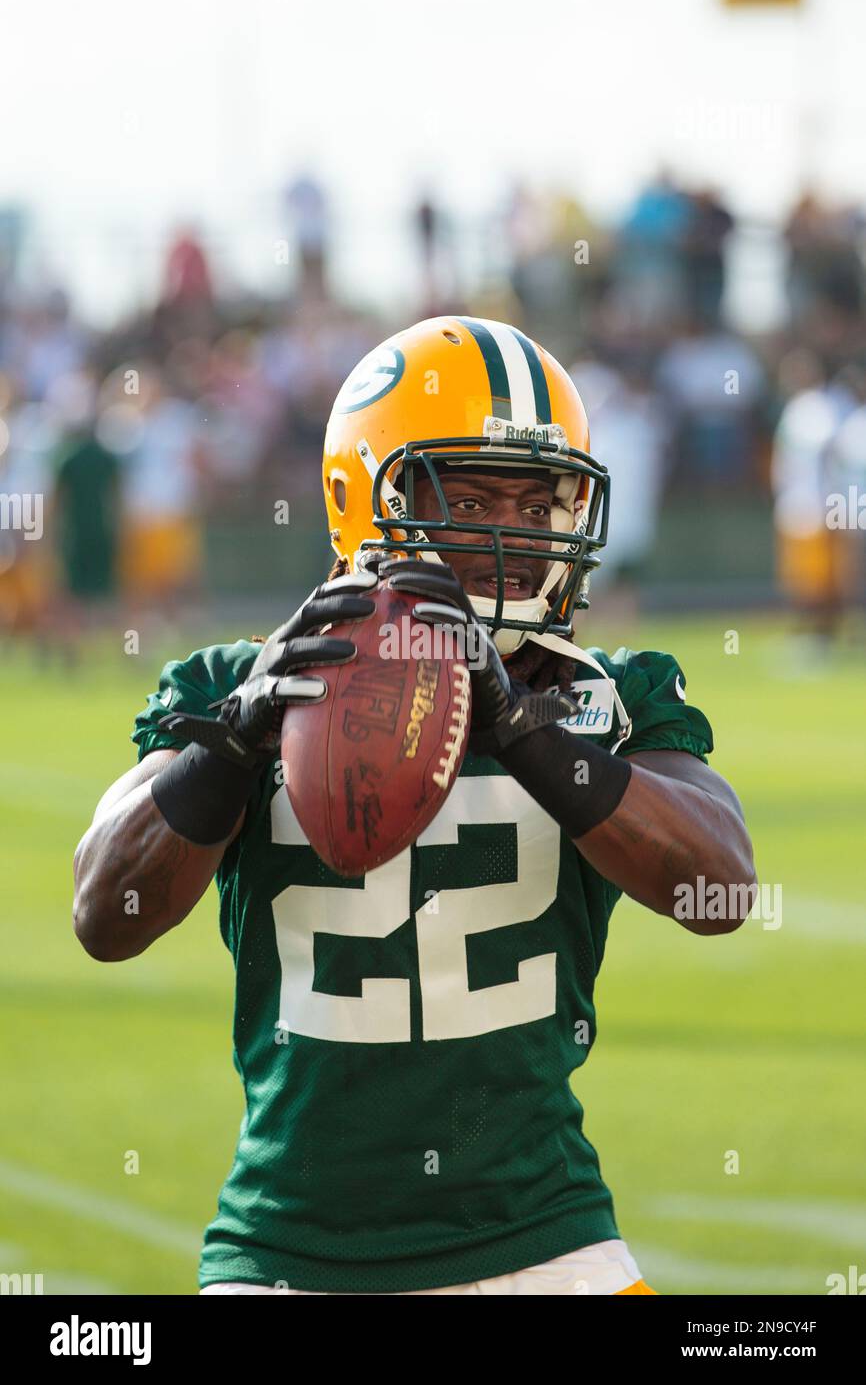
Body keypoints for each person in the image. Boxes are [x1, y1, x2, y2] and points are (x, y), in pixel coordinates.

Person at [73, 316, 757, 1296]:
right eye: (465, 497)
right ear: (364, 501)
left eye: (539, 503)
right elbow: (105, 914)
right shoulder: (231, 683)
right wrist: (231, 740)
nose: (511, 537)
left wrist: (524, 730)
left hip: (547, 1242)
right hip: (289, 1255)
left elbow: (720, 889)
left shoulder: (610, 692)